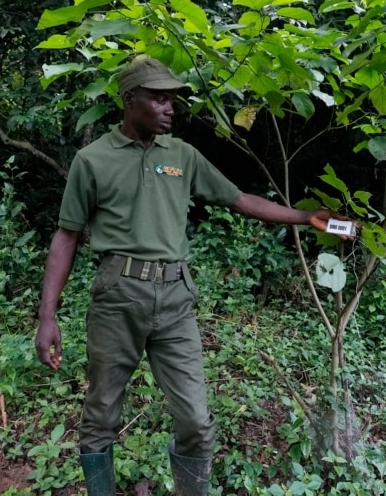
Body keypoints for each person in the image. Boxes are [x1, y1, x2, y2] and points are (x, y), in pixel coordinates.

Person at [34, 56, 342, 495]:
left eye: (172, 100)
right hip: (118, 295)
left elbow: (238, 199)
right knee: (101, 412)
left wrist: (306, 215)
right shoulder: (92, 160)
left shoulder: (182, 155)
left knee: (196, 420)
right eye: (158, 99)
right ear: (129, 100)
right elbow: (66, 238)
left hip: (176, 297)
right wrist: (48, 316)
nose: (170, 108)